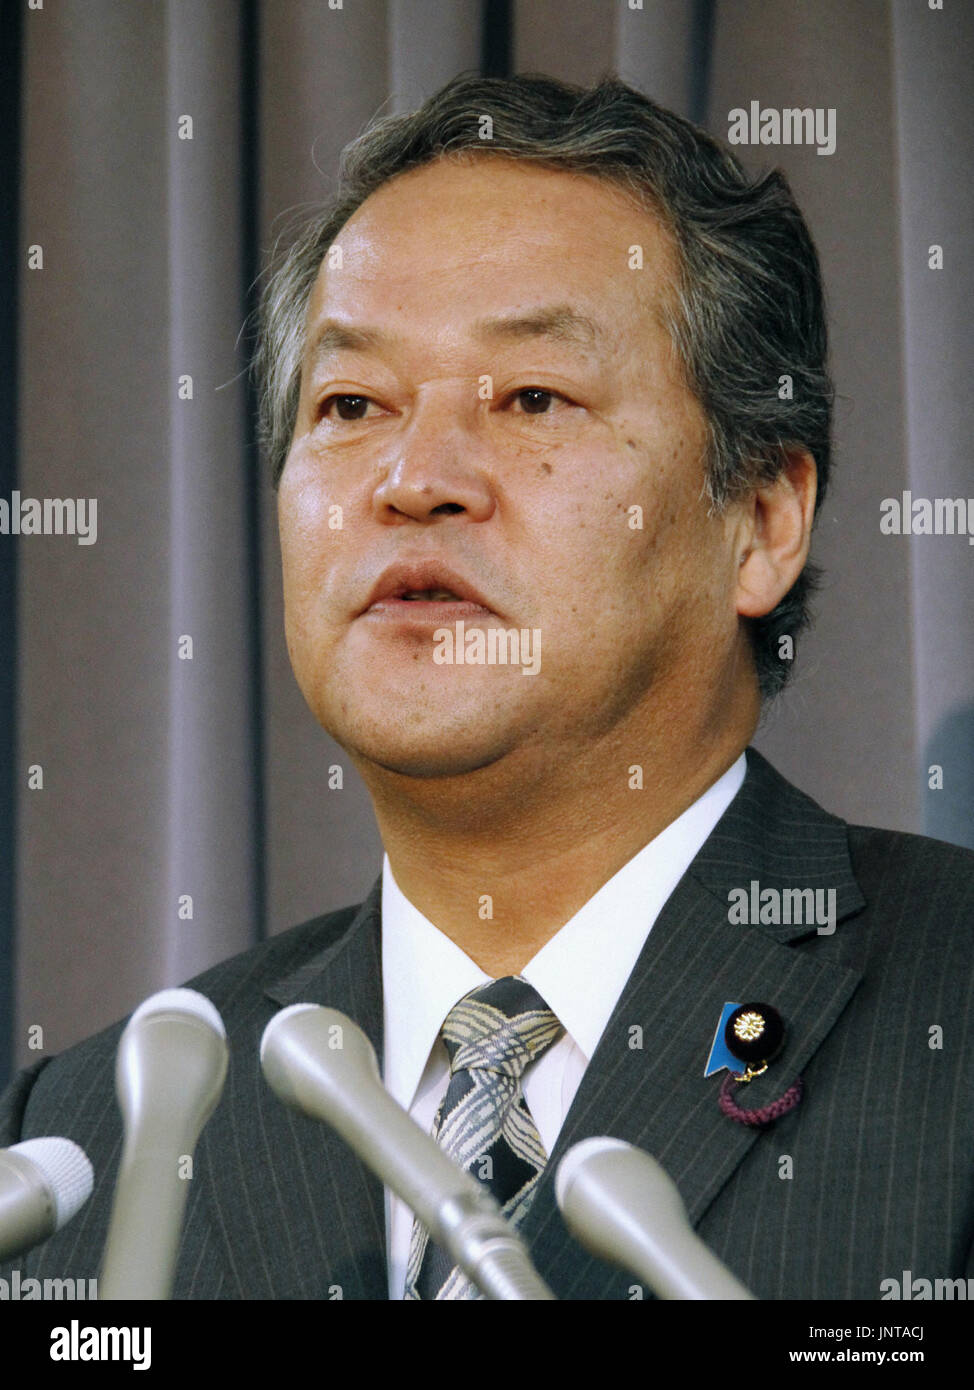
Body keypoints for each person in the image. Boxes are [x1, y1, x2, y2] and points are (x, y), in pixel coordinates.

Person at [2, 72, 972, 1302]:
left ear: (761, 520)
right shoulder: (97, 1132)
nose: (414, 477)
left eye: (530, 398)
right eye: (351, 403)